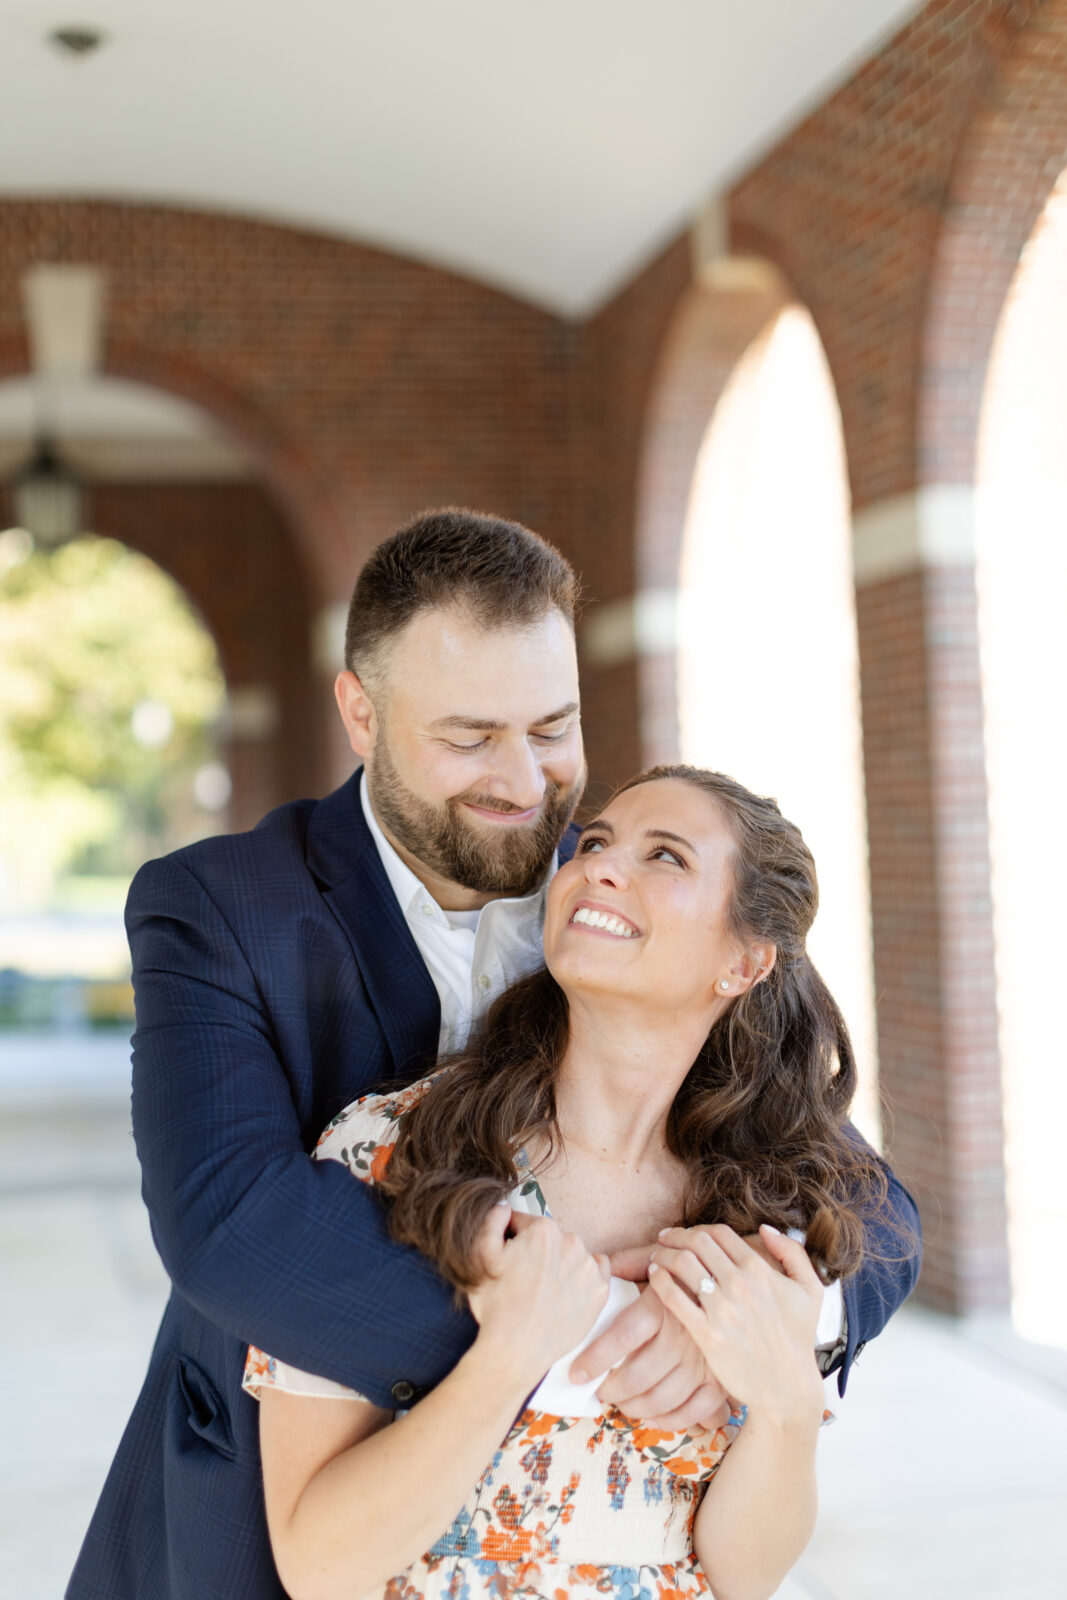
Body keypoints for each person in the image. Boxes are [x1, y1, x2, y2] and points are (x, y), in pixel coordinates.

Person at [68, 509, 920, 1600]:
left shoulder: (616, 896)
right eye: (469, 738)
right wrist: (577, 1337)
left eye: (552, 728)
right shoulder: (220, 906)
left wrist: (756, 1322)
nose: (524, 782)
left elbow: (867, 1203)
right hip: (273, 1486)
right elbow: (231, 1220)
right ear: (361, 715)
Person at [246, 765, 916, 1600]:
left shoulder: (766, 1218)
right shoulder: (388, 1153)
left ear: (744, 963)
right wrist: (509, 1355)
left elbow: (744, 1576)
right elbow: (319, 1568)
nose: (596, 864)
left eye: (665, 857)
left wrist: (782, 1404)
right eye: (594, 842)